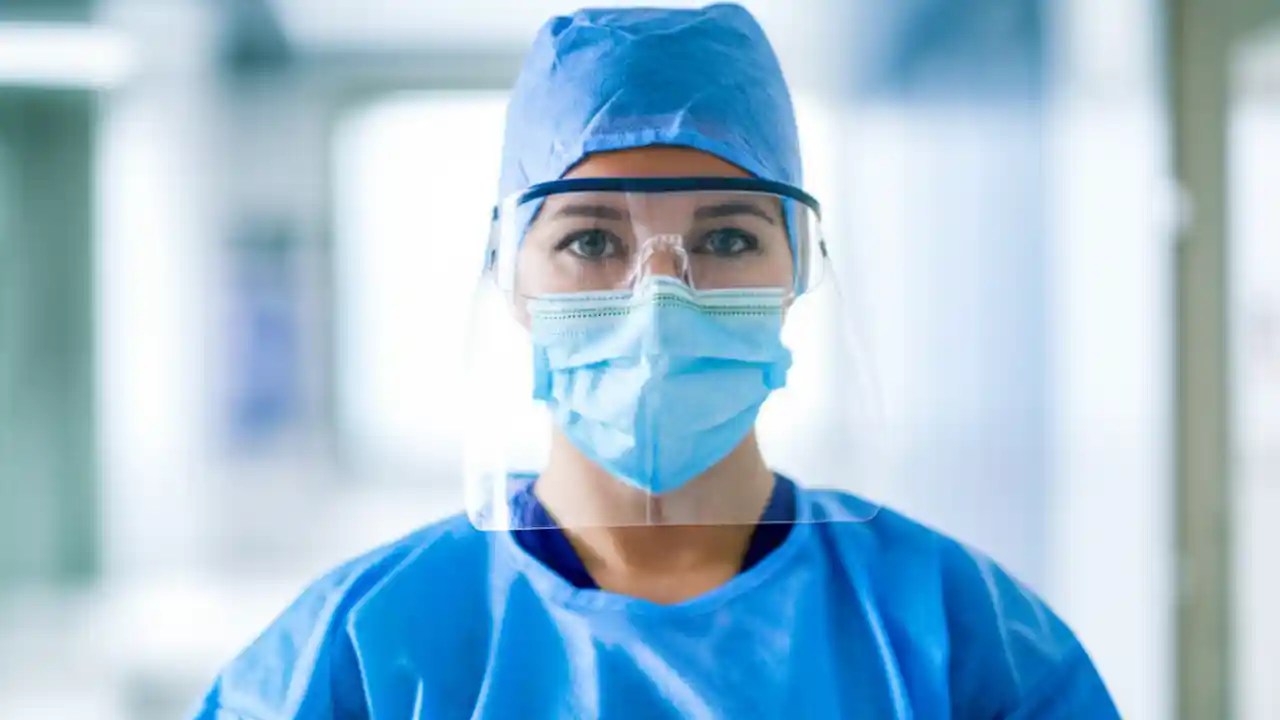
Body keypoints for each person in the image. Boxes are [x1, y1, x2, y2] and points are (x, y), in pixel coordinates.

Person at [193, 4, 1120, 718]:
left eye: (725, 238)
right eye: (593, 242)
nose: (659, 295)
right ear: (512, 280)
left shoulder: (955, 633)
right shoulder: (360, 649)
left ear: (797, 268)